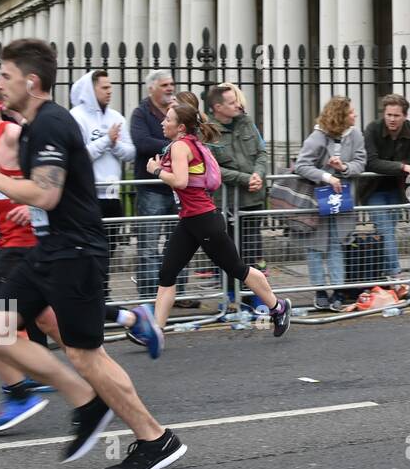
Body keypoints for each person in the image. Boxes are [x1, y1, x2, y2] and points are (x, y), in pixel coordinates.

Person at [0, 39, 186, 469]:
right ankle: (85, 401)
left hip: (75, 251)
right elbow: (47, 194)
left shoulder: (50, 122)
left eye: (6, 76)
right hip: (47, 252)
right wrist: (19, 200)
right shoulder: (31, 127)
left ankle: (154, 438)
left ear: (31, 81)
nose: (0, 84)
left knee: (85, 353)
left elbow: (47, 192)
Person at [147, 101, 291, 338]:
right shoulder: (191, 143)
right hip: (191, 221)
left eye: (168, 119)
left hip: (203, 220)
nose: (163, 122)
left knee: (238, 269)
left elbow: (181, 181)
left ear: (181, 127)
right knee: (167, 272)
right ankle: (155, 331)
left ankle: (278, 307)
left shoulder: (181, 146)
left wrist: (156, 170)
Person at [294, 96, 366, 311]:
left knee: (337, 244)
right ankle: (320, 291)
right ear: (341, 116)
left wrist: (344, 168)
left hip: (341, 199)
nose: (355, 115)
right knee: (315, 247)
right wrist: (327, 176)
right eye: (351, 112)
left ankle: (337, 291)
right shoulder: (317, 136)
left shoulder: (356, 135)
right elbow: (301, 165)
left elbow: (361, 162)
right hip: (317, 199)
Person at [69, 70, 136, 298]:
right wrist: (107, 140)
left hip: (112, 195)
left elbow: (130, 152)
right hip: (88, 195)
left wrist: (114, 144)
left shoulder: (117, 117)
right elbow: (78, 156)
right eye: (104, 87)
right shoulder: (77, 116)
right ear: (91, 89)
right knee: (88, 249)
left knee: (109, 247)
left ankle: (103, 293)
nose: (110, 91)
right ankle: (86, 293)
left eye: (110, 87)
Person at [207, 82, 271, 278]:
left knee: (252, 251)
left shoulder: (247, 122)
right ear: (218, 107)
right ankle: (231, 298)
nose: (238, 105)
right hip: (226, 203)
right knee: (229, 253)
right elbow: (214, 169)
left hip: (253, 199)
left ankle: (255, 299)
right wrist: (245, 178)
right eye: (232, 102)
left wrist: (258, 174)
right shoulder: (208, 131)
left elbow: (262, 153)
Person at [130, 70, 184, 299]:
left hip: (176, 189)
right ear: (151, 88)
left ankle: (177, 295)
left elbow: (192, 136)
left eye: (172, 83)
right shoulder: (141, 113)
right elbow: (142, 143)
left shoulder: (178, 111)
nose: (170, 88)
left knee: (179, 246)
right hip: (151, 188)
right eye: (164, 84)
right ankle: (150, 297)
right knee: (149, 247)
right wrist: (173, 147)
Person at [359, 94, 410, 278]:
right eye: (388, 115)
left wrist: (401, 166)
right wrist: (402, 166)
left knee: (387, 232)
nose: (392, 119)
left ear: (404, 116)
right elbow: (371, 163)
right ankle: (395, 275)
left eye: (396, 115)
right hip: (373, 189)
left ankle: (382, 274)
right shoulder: (373, 129)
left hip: (397, 189)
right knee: (385, 229)